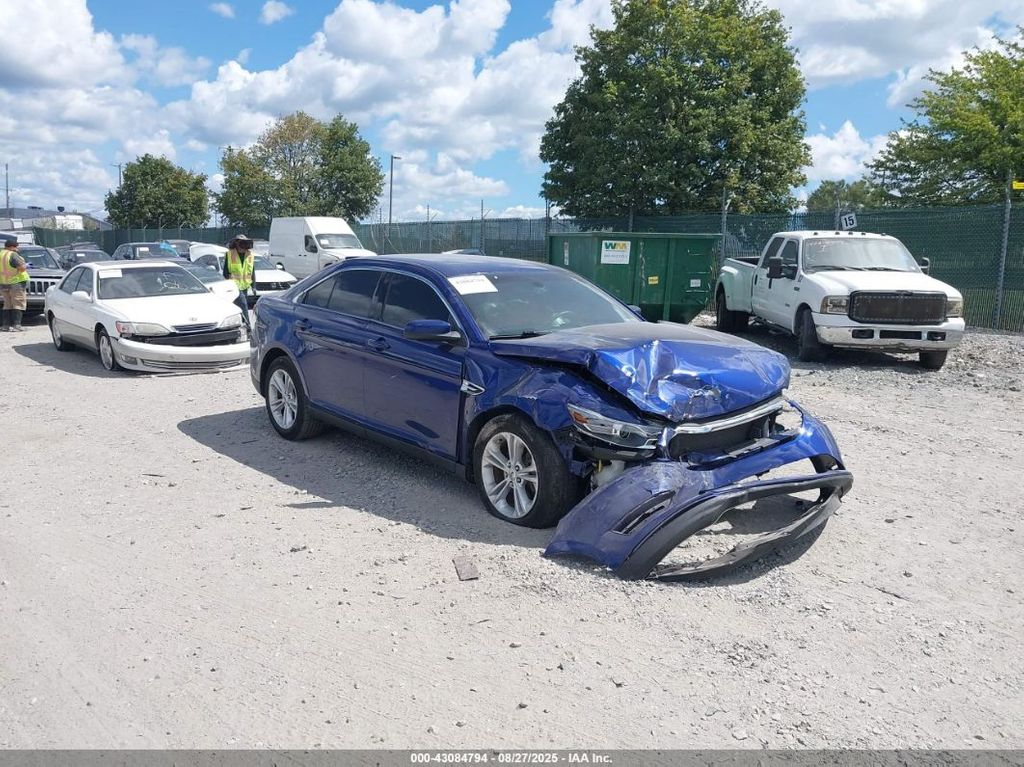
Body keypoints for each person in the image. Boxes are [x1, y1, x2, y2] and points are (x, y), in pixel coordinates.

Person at [223, 234, 255, 330]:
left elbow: (252, 271)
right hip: (234, 285)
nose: (243, 246)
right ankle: (248, 325)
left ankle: (238, 325)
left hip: (245, 285)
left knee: (239, 306)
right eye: (241, 243)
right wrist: (228, 283)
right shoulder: (230, 254)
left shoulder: (250, 254)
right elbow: (225, 271)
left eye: (244, 243)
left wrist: (254, 286)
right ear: (236, 243)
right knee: (243, 304)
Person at [0, 238, 29, 332]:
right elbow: (22, 268)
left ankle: (5, 326)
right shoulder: (12, 254)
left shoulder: (1, 254)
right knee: (18, 303)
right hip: (16, 283)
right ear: (12, 247)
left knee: (7, 304)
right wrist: (26, 265)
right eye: (17, 247)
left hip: (4, 283)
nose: (18, 249)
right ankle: (17, 325)